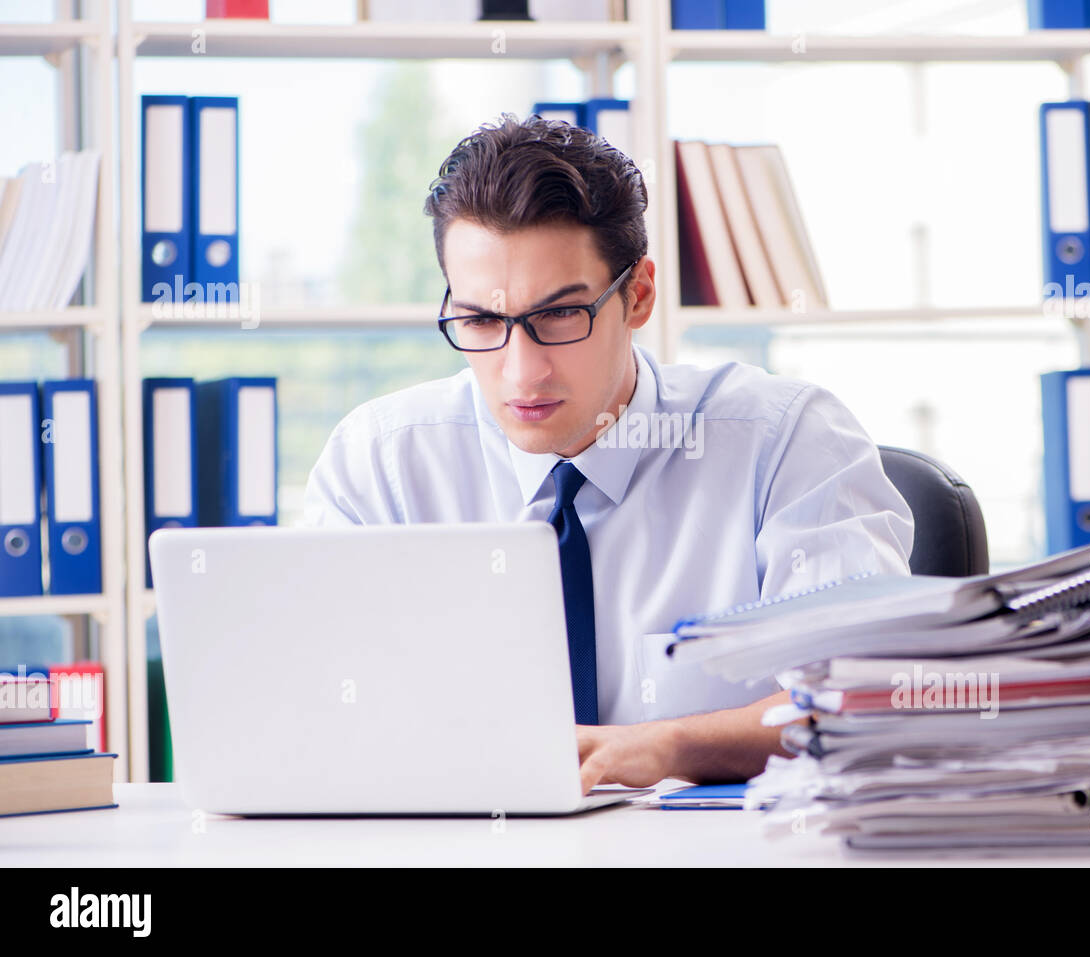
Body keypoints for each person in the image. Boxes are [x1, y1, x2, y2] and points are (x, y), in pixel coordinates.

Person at [302, 112, 914, 793]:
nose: (521, 372)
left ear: (639, 295)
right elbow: (313, 709)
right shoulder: (379, 464)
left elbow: (861, 698)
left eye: (561, 315)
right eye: (480, 321)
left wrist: (668, 746)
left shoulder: (787, 443)